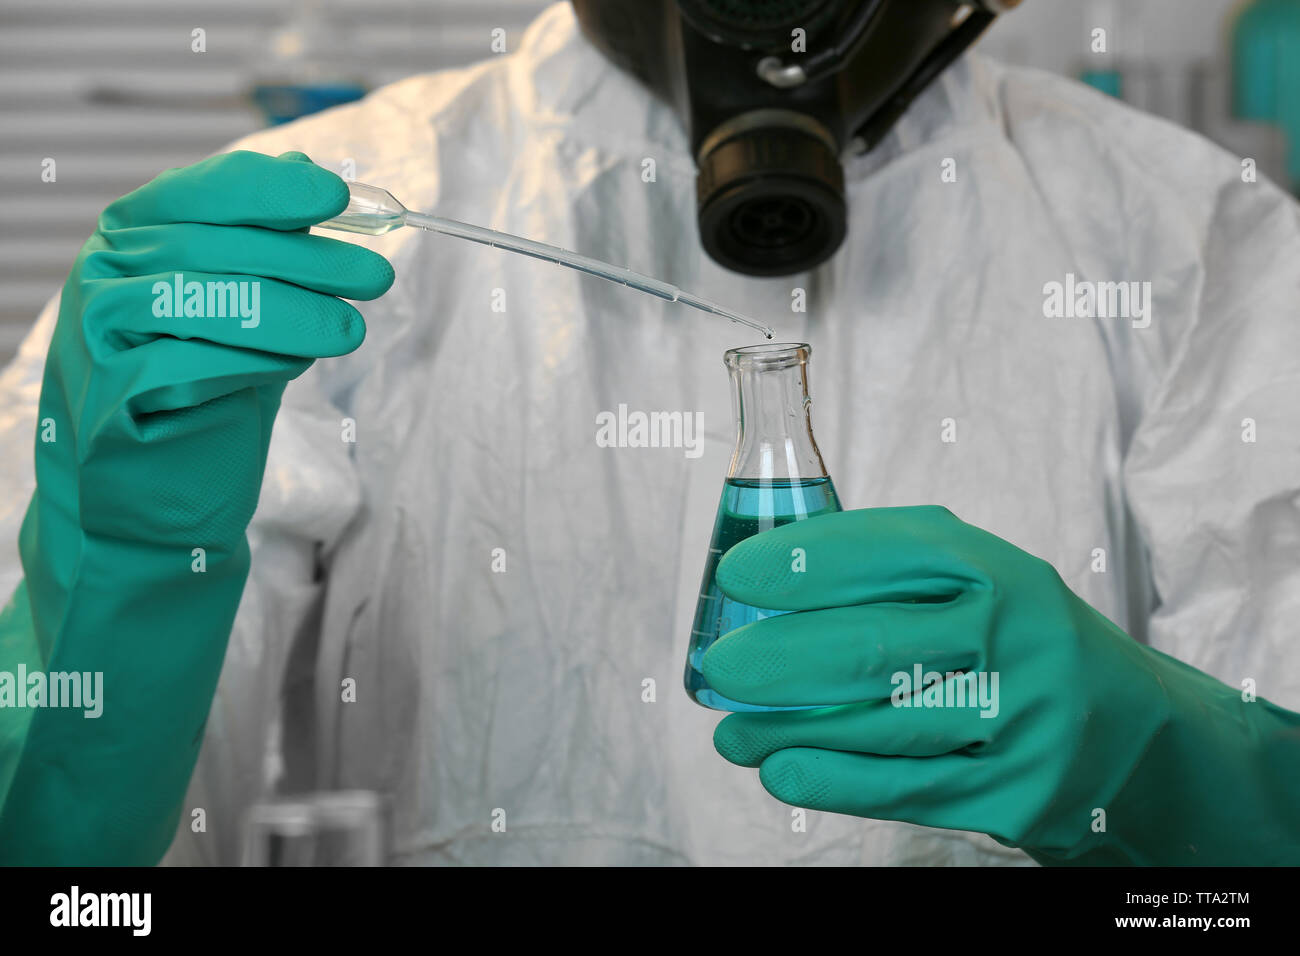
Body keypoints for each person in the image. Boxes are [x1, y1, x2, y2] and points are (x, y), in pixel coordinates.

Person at [1, 1, 1299, 866]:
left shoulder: (1189, 245)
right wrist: (113, 572)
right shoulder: (311, 242)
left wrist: (1160, 755)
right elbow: (70, 882)